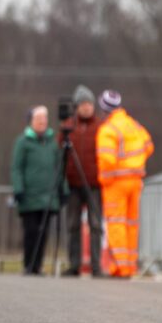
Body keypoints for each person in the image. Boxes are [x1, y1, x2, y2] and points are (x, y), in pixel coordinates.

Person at [95, 90, 154, 278]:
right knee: (131, 224)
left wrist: (105, 181)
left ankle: (120, 267)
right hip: (135, 180)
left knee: (116, 223)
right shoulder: (133, 125)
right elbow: (148, 146)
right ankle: (129, 265)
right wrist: (135, 164)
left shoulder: (108, 130)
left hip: (116, 183)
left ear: (104, 109)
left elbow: (107, 160)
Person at [11, 106, 59, 275]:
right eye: (38, 119)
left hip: (47, 196)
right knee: (30, 231)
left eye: (44, 119)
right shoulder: (23, 142)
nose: (42, 122)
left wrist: (62, 189)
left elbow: (58, 168)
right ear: (31, 121)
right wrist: (18, 188)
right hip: (29, 196)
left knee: (43, 232)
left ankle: (38, 265)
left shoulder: (52, 143)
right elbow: (16, 168)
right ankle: (28, 264)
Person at [61, 84, 103, 276]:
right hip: (73, 183)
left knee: (95, 225)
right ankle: (74, 264)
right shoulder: (68, 127)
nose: (86, 107)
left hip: (94, 183)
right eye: (83, 104)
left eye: (89, 104)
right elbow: (60, 152)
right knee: (73, 225)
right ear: (76, 107)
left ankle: (96, 265)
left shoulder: (101, 127)